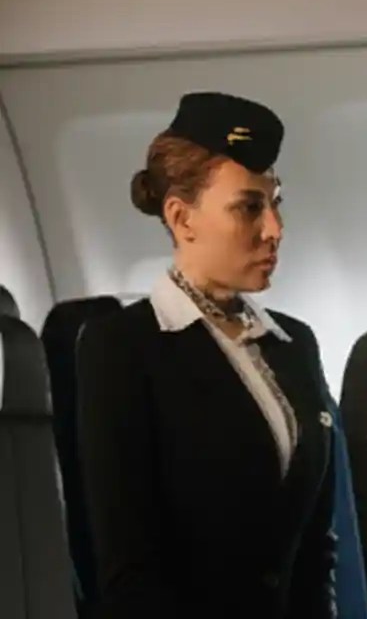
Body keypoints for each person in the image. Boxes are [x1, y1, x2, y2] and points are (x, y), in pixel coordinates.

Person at [78, 92, 338, 619]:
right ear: (182, 217)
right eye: (249, 207)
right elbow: (130, 572)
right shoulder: (123, 348)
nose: (275, 229)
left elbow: (313, 549)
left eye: (276, 202)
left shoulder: (294, 344)